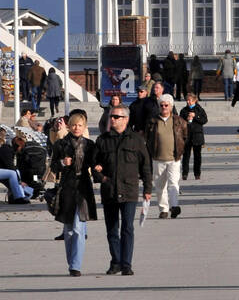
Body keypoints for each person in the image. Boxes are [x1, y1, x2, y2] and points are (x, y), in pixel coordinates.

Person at [93, 102, 152, 275]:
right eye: (111, 116)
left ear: (126, 119)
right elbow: (94, 163)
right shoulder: (102, 140)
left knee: (127, 227)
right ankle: (115, 261)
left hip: (129, 189)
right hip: (109, 189)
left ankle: (126, 264)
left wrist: (147, 189)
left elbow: (146, 166)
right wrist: (101, 177)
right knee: (111, 228)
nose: (112, 119)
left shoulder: (136, 140)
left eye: (116, 117)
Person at [50, 110, 98, 274]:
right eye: (74, 125)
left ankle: (76, 265)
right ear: (69, 127)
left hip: (83, 187)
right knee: (68, 229)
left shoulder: (89, 145)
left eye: (80, 125)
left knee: (78, 227)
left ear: (84, 127)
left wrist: (100, 172)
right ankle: (72, 262)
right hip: (66, 187)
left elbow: (95, 164)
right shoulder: (60, 144)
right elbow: (53, 167)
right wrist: (63, 163)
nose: (76, 128)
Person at [144, 94, 187, 218]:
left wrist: (181, 149)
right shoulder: (152, 121)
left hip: (174, 158)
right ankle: (163, 209)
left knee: (173, 183)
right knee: (159, 185)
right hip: (158, 158)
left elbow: (185, 136)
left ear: (171, 106)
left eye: (166, 105)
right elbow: (147, 137)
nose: (164, 107)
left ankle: (174, 206)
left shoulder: (179, 121)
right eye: (161, 105)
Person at [0, 127, 33, 203]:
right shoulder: (6, 151)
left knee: (16, 171)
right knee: (12, 173)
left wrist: (19, 180)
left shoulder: (7, 149)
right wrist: (20, 182)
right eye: (21, 148)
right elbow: (10, 167)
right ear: (17, 146)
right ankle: (18, 198)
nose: (20, 150)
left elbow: (11, 167)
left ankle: (21, 196)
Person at [180, 91, 208, 179]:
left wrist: (196, 116)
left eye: (190, 100)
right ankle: (185, 173)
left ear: (195, 100)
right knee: (186, 156)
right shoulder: (184, 110)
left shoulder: (199, 109)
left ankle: (197, 173)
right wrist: (186, 119)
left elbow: (204, 120)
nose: (188, 102)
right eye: (187, 100)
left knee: (197, 156)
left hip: (197, 135)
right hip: (187, 135)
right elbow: (180, 122)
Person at [13, 129, 47, 198]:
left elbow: (20, 165)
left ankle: (34, 190)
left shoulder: (23, 149)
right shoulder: (39, 146)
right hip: (41, 170)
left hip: (29, 172)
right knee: (35, 179)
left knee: (30, 178)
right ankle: (39, 188)